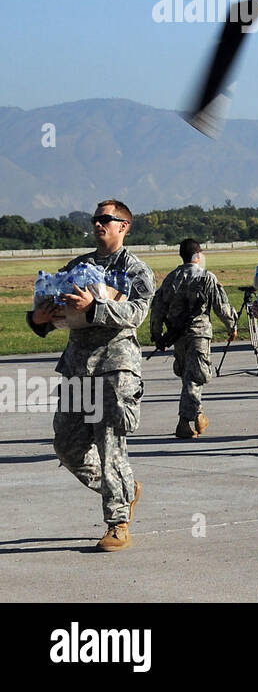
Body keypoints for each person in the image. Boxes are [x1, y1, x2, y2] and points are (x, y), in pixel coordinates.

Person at [27, 200, 153, 551]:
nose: (98, 224)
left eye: (105, 219)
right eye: (96, 219)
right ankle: (125, 488)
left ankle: (117, 523)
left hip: (114, 367)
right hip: (76, 366)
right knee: (67, 446)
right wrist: (39, 318)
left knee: (110, 443)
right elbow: (55, 302)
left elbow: (137, 312)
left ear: (123, 226)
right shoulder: (79, 266)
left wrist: (96, 306)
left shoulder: (135, 269)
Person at [150, 238, 237, 439]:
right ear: (198, 255)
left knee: (189, 376)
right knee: (195, 376)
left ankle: (198, 415)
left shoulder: (171, 278)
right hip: (199, 333)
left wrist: (157, 335)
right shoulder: (206, 277)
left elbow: (158, 309)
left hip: (177, 336)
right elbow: (221, 306)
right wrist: (231, 326)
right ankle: (184, 422)